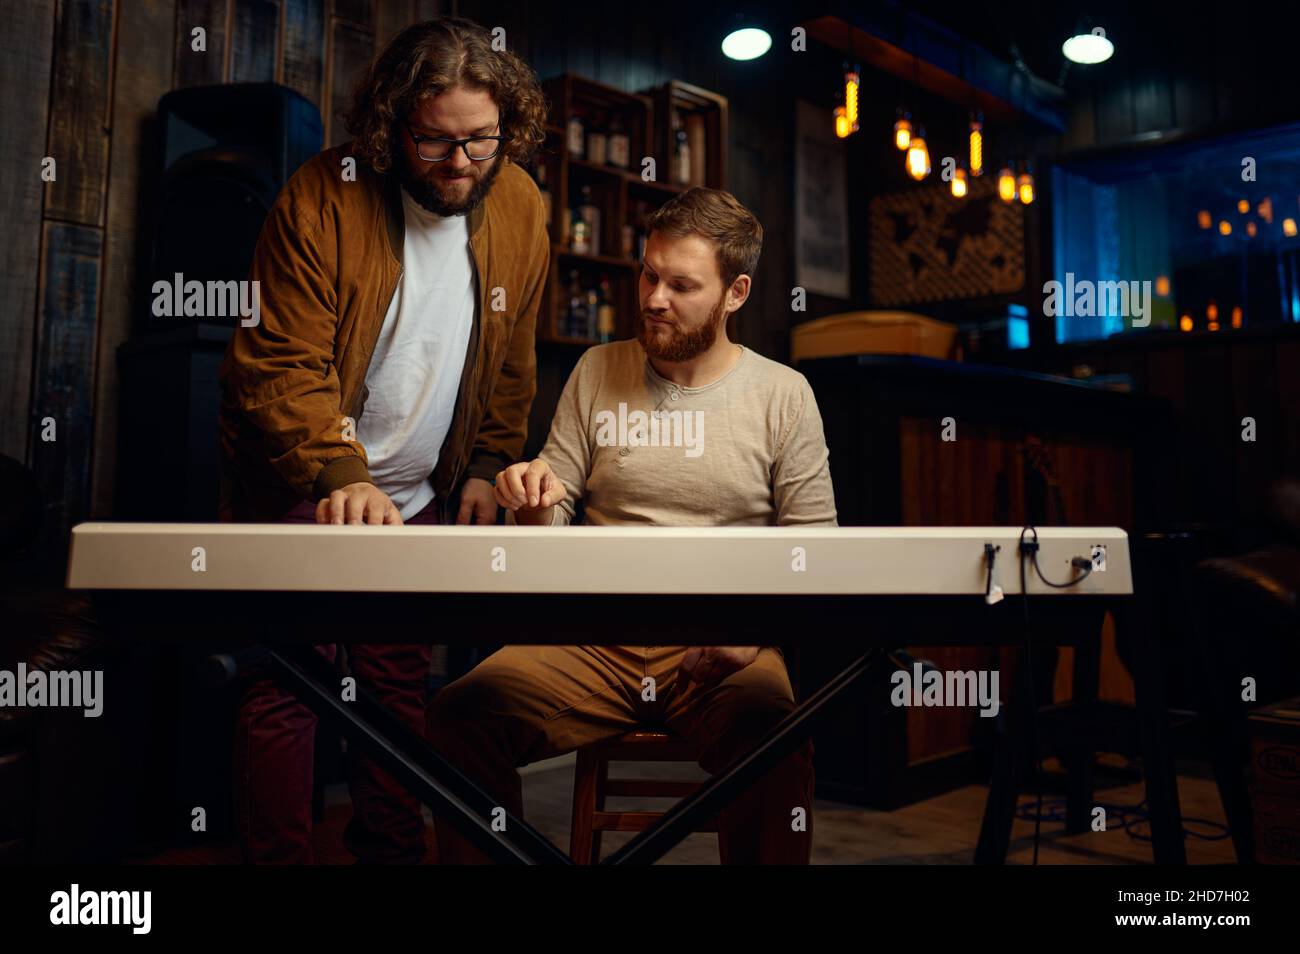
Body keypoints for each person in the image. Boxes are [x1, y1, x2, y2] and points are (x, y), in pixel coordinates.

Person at [217, 16, 549, 863]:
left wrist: (483, 466)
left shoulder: (520, 204)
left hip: (422, 492)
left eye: (483, 140)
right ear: (393, 123)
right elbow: (278, 363)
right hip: (307, 481)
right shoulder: (323, 194)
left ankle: (391, 857)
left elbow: (511, 360)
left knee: (398, 686)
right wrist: (337, 473)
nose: (462, 165)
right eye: (438, 143)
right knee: (286, 681)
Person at [427, 187, 837, 864]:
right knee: (460, 715)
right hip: (593, 639)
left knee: (777, 737)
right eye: (649, 274)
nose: (653, 298)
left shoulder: (782, 394)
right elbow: (549, 514)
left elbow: (813, 550)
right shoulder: (597, 369)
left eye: (681, 285)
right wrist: (533, 501)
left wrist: (752, 633)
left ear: (735, 293)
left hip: (721, 647)